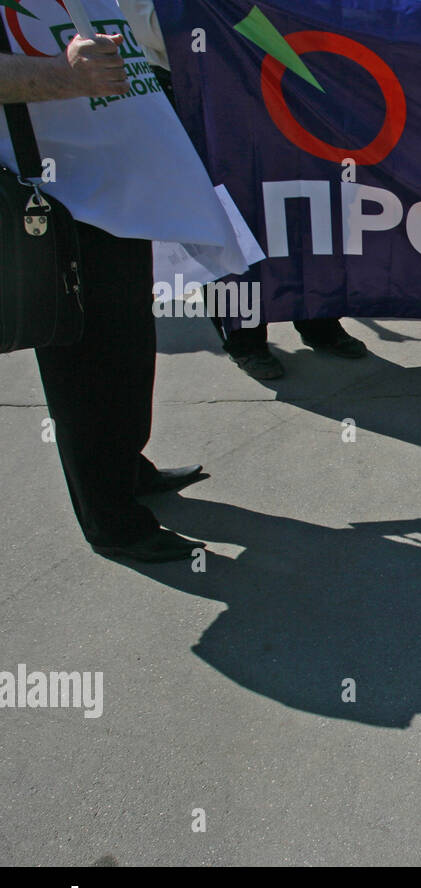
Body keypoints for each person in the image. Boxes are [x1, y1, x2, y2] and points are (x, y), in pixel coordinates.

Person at [1, 15, 209, 562]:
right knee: (82, 361)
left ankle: (125, 466)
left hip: (111, 186)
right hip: (49, 196)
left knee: (128, 341)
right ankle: (111, 519)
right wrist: (67, 77)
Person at [118, 0, 370, 381]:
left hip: (281, 86)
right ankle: (244, 338)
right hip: (203, 96)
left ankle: (319, 320)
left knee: (306, 209)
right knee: (228, 219)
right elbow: (152, 28)